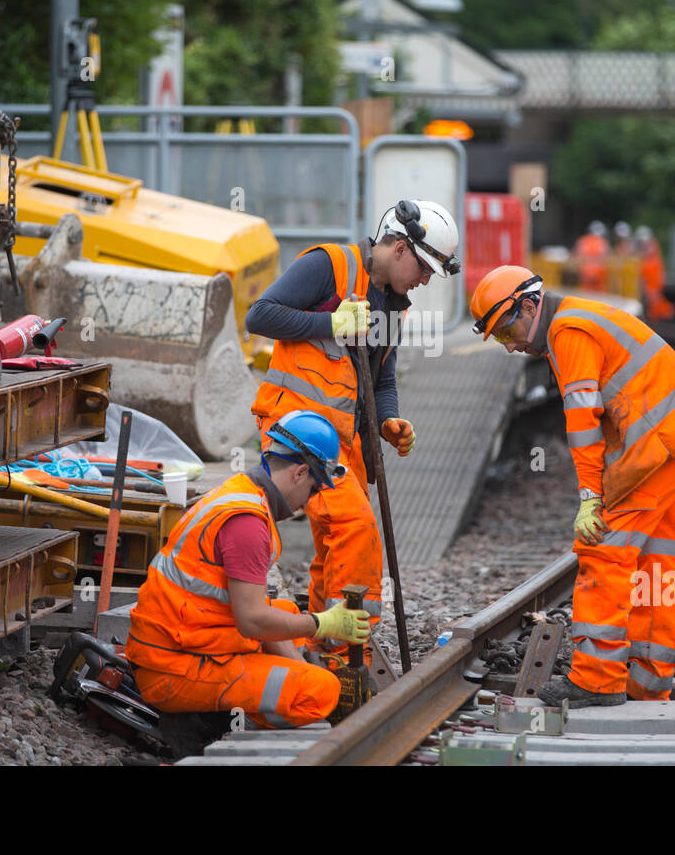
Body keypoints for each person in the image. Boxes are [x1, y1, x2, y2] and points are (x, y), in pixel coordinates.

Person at [470, 265, 675, 707]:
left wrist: (591, 499)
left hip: (657, 446)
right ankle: (647, 682)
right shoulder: (578, 318)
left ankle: (598, 678)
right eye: (496, 338)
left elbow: (582, 422)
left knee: (603, 550)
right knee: (661, 561)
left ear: (530, 306)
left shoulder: (568, 332)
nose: (508, 346)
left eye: (506, 330)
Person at [245, 200, 460, 658]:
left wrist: (388, 420)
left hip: (344, 443)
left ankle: (319, 648)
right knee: (357, 528)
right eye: (423, 270)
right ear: (400, 248)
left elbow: (382, 379)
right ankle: (347, 654)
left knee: (334, 546)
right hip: (297, 432)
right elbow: (259, 315)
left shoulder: (394, 306)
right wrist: (331, 322)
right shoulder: (330, 266)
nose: (424, 281)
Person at [125, 410, 371, 728]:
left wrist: (299, 663)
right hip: (174, 670)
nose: (308, 502)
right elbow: (252, 621)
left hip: (184, 641)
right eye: (313, 489)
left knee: (282, 610)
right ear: (299, 474)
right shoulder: (248, 523)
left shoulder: (241, 492)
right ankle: (229, 723)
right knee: (321, 691)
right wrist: (321, 624)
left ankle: (257, 692)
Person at [636, 226, 675, 320]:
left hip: (653, 282)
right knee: (651, 301)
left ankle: (660, 315)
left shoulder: (652, 249)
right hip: (649, 281)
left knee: (654, 300)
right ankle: (654, 316)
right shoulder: (648, 252)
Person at [573, 220, 610, 291]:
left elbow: (578, 258)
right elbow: (605, 259)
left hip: (585, 274)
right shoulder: (603, 242)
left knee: (585, 296)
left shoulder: (583, 241)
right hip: (599, 276)